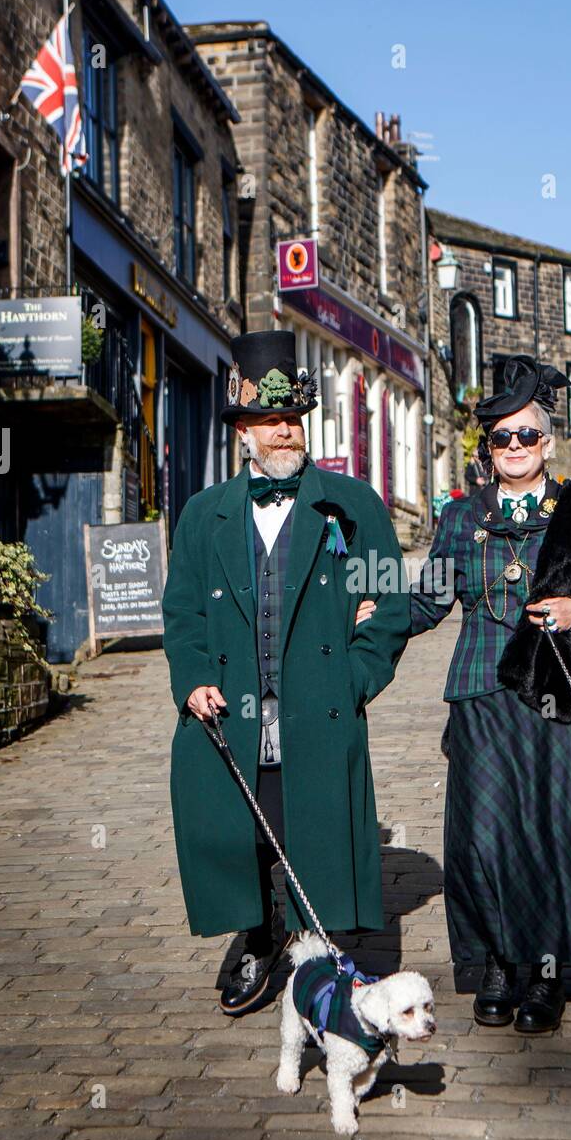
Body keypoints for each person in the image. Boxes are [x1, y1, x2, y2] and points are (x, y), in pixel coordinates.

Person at [162, 331, 410, 1015]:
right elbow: (182, 612)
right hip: (232, 704)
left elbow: (389, 603)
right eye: (268, 420)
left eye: (292, 418)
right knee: (239, 825)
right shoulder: (202, 514)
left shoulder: (351, 506)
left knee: (315, 824)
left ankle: (318, 945)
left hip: (318, 702)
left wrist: (355, 677)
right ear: (242, 430)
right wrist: (191, 677)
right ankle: (256, 932)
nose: (283, 431)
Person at [406, 356, 571, 1033]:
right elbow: (427, 602)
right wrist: (362, 613)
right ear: (487, 450)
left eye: (526, 435)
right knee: (485, 835)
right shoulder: (461, 518)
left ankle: (546, 973)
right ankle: (497, 961)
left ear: (547, 442)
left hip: (567, 690)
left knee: (555, 832)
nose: (513, 446)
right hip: (484, 692)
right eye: (501, 437)